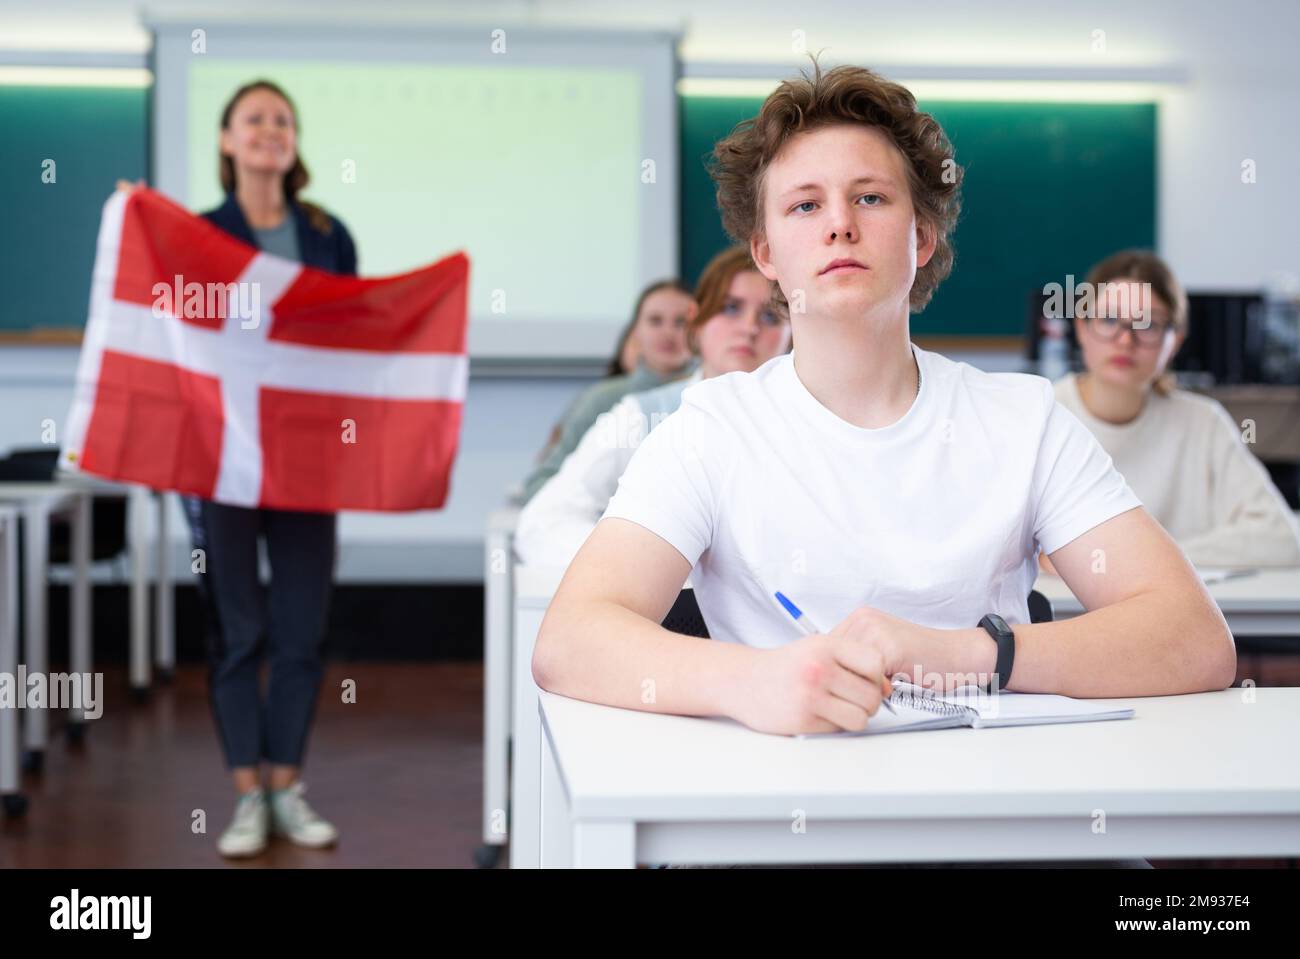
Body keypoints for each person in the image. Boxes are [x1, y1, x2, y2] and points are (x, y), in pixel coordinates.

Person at [532, 60, 1235, 746]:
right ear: (767, 252)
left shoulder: (1025, 421)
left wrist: (971, 654)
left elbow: (1194, 638)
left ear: (921, 236)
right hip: (783, 818)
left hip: (998, 804)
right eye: (805, 205)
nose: (839, 223)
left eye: (870, 197)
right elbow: (570, 639)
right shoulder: (710, 430)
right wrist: (751, 680)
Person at [196, 79, 355, 858]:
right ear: (227, 141)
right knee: (238, 630)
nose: (270, 129)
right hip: (222, 457)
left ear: (294, 142)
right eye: (254, 118)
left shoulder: (328, 232)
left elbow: (355, 338)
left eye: (282, 119)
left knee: (299, 626)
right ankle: (244, 795)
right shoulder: (195, 234)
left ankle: (286, 785)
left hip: (305, 458)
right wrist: (133, 220)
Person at [516, 246, 791, 567]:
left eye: (770, 316)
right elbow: (544, 521)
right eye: (730, 308)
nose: (749, 328)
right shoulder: (640, 415)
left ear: (791, 334)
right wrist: (637, 569)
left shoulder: (809, 422)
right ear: (696, 321)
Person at [1052, 250, 1300, 568]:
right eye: (1110, 320)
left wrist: (1145, 558)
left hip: (1176, 612)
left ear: (1176, 341)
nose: (1126, 340)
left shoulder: (1204, 423)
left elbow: (1282, 540)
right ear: (1082, 328)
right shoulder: (1043, 416)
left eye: (1149, 324)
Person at [519, 280, 696, 502]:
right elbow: (543, 481)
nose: (668, 332)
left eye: (681, 322)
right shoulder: (602, 399)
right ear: (635, 332)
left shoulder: (709, 398)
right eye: (655, 321)